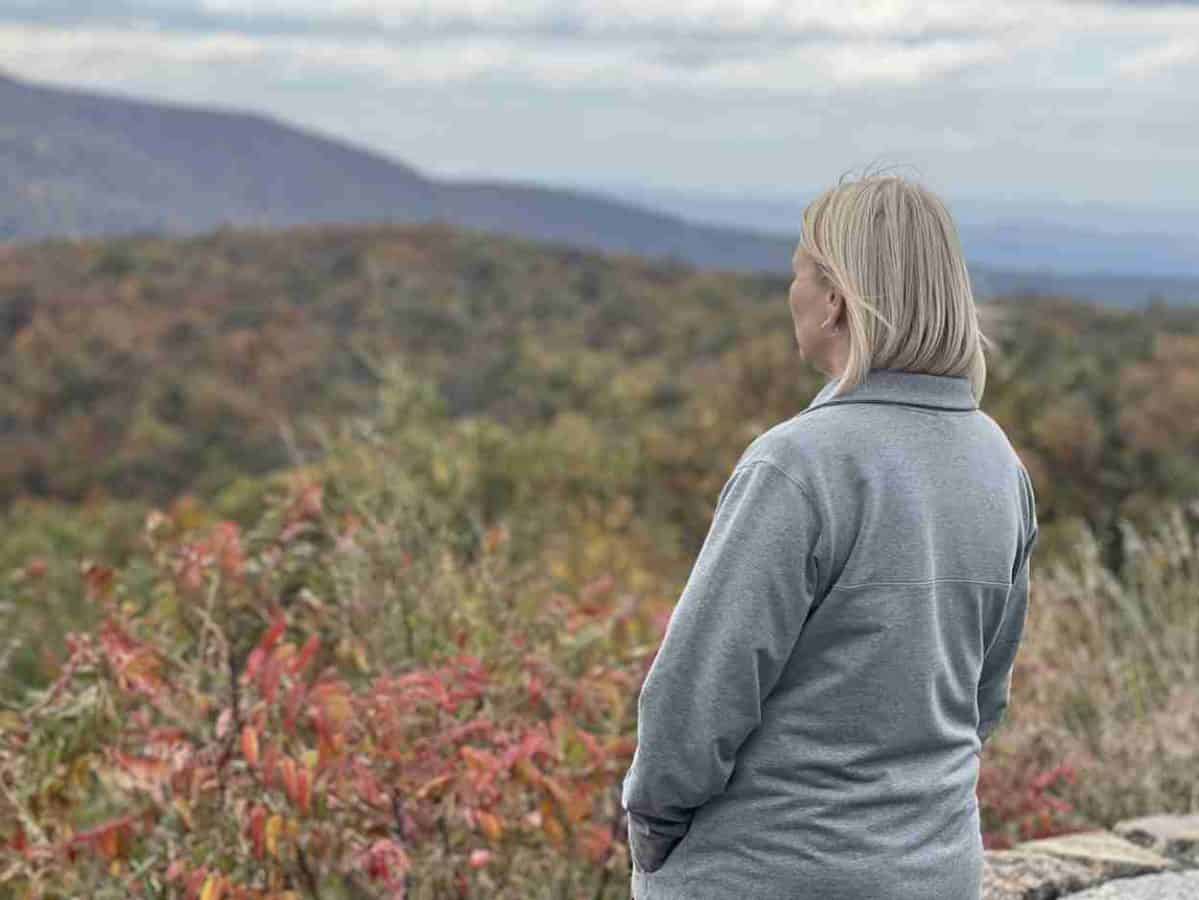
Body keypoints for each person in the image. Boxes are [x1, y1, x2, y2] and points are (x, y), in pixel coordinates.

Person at [620, 169, 1039, 900]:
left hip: (766, 871)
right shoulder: (995, 463)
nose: (793, 294)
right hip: (935, 871)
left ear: (835, 298)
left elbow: (694, 701)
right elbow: (981, 701)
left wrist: (652, 833)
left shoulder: (799, 463)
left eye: (798, 272)